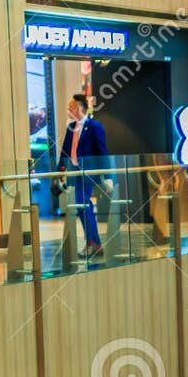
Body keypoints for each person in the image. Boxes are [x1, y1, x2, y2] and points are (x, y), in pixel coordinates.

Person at [56, 93, 109, 258]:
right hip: (75, 172)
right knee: (82, 205)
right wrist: (60, 171)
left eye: (71, 107)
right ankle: (95, 243)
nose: (68, 110)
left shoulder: (94, 126)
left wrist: (108, 177)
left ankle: (93, 243)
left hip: (88, 172)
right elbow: (65, 151)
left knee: (81, 204)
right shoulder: (71, 127)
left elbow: (102, 152)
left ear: (79, 108)